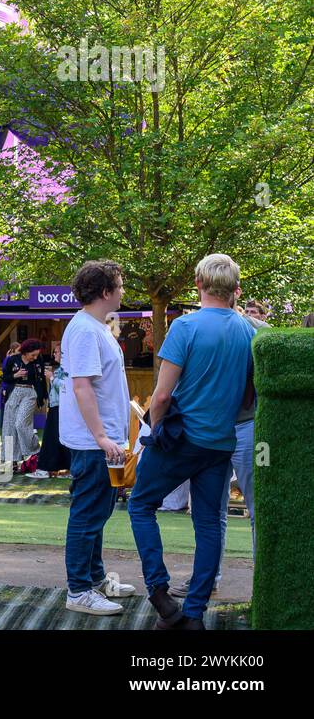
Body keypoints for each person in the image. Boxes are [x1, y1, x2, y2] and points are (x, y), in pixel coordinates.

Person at [129, 254, 255, 631]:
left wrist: (153, 430)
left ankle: (160, 594)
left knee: (140, 505)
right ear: (235, 289)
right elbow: (248, 398)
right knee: (209, 525)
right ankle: (195, 613)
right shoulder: (249, 331)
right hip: (220, 443)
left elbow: (163, 396)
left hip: (182, 439)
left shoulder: (185, 327)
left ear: (198, 285)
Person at [59, 260, 138, 616]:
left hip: (102, 440)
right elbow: (82, 387)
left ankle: (93, 579)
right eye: (119, 285)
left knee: (98, 512)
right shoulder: (87, 331)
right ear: (105, 292)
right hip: (94, 442)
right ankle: (79, 591)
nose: (123, 291)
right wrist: (102, 436)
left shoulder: (94, 327)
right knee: (88, 515)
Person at [1, 338, 46, 468]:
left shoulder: (38, 361)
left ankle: (34, 449)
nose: (35, 357)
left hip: (30, 393)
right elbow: (5, 377)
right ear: (25, 352)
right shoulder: (12, 360)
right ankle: (13, 461)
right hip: (14, 392)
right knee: (10, 427)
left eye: (37, 355)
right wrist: (15, 375)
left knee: (21, 423)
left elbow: (41, 379)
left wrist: (42, 397)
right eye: (33, 355)